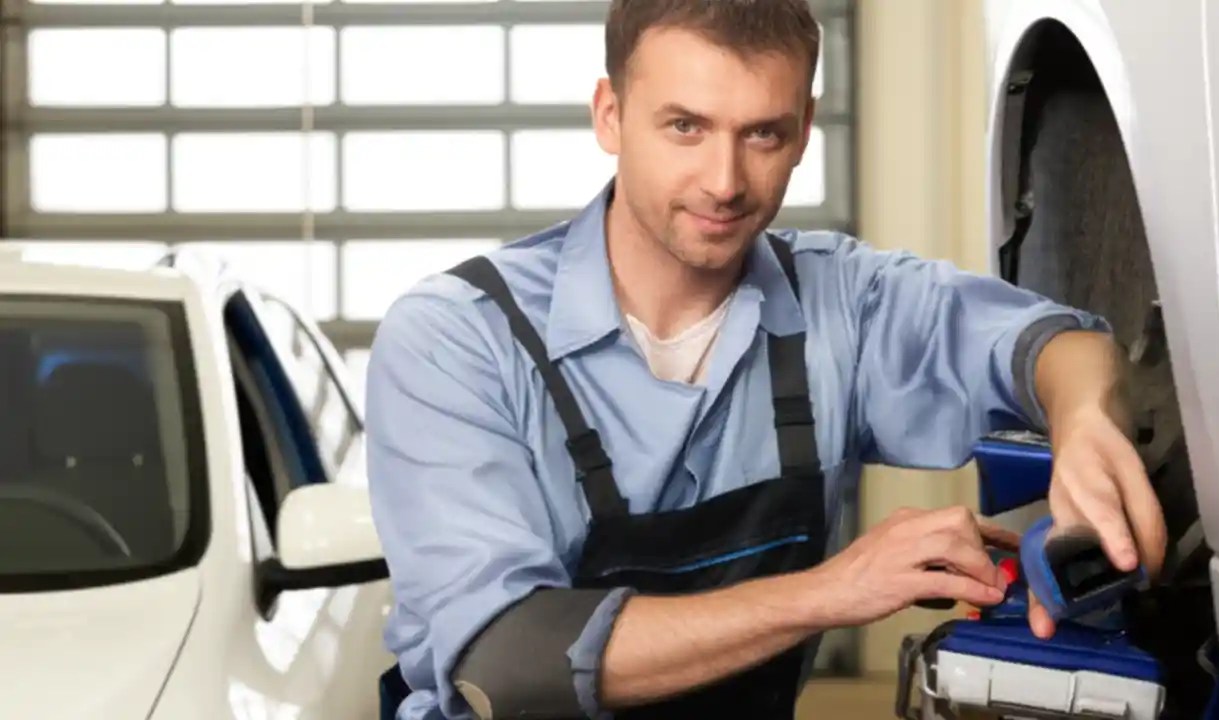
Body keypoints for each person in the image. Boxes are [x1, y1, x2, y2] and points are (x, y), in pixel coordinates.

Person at [365, 1, 1168, 718]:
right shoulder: (456, 339)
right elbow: (510, 665)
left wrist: (1085, 420)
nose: (724, 181)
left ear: (804, 129)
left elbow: (1050, 340)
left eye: (762, 134)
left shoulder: (837, 302)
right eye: (686, 126)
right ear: (610, 115)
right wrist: (833, 591)